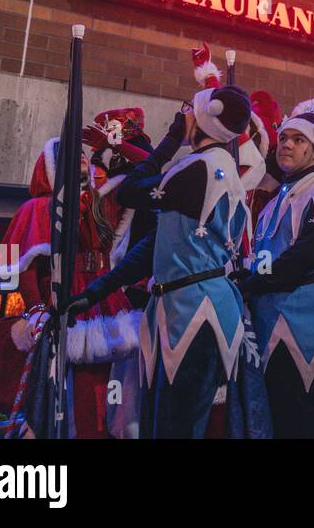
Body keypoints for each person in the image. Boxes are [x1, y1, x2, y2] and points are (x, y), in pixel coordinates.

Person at [70, 83, 253, 438]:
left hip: (194, 313)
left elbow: (130, 191)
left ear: (202, 118)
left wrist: (170, 140)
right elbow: (158, 245)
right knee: (165, 424)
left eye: (189, 109)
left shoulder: (200, 167)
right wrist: (96, 292)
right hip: (180, 309)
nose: (182, 115)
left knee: (176, 427)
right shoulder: (212, 167)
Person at [0, 135, 141, 438]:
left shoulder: (100, 203)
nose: (83, 158)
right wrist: (36, 310)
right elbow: (25, 268)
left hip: (107, 306)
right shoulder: (37, 209)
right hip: (65, 310)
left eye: (84, 154)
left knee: (114, 397)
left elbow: (143, 170)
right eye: (73, 155)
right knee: (73, 400)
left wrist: (112, 147)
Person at [238, 100, 314, 438]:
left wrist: (254, 283)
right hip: (272, 321)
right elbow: (265, 256)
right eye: (284, 137)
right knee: (285, 417)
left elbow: (307, 254)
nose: (286, 144)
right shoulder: (274, 201)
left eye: (298, 140)